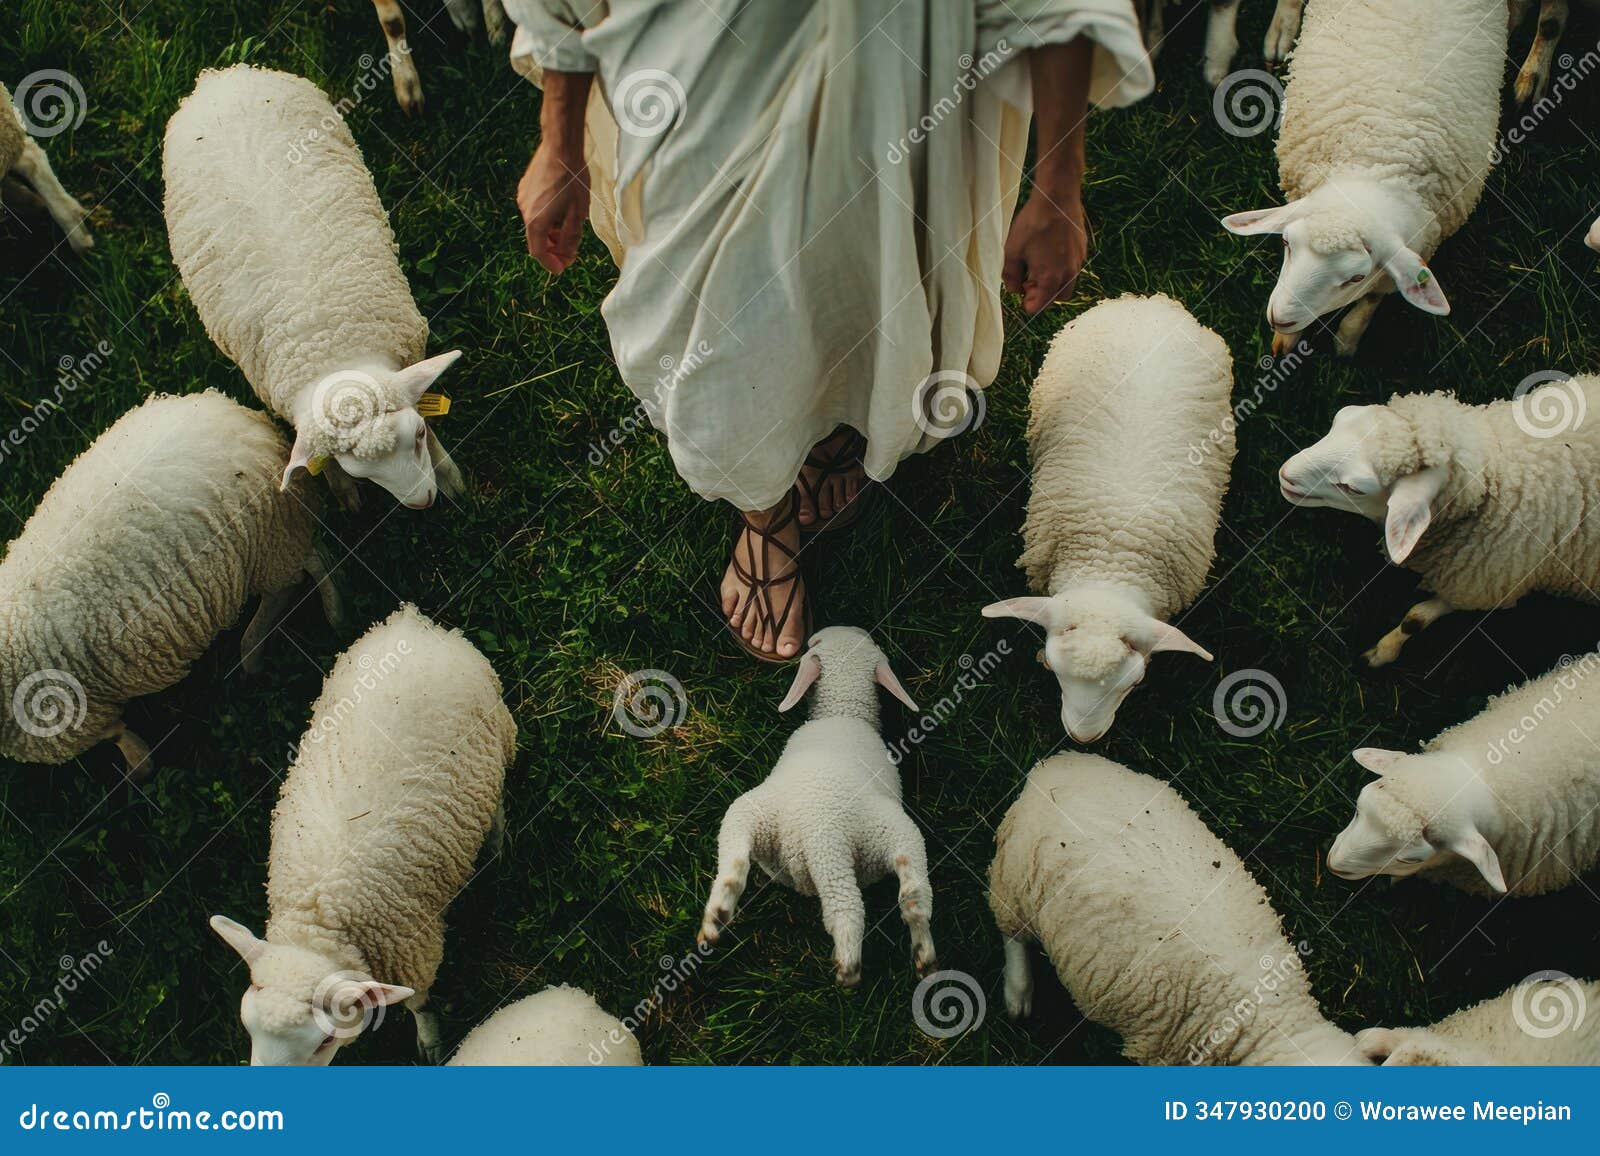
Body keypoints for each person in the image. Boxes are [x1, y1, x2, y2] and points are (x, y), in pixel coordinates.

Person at [509, 0, 1153, 660]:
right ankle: (765, 514)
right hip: (704, 95)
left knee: (881, 276)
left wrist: (1057, 188)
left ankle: (842, 421)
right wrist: (559, 142)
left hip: (910, 81)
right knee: (724, 325)